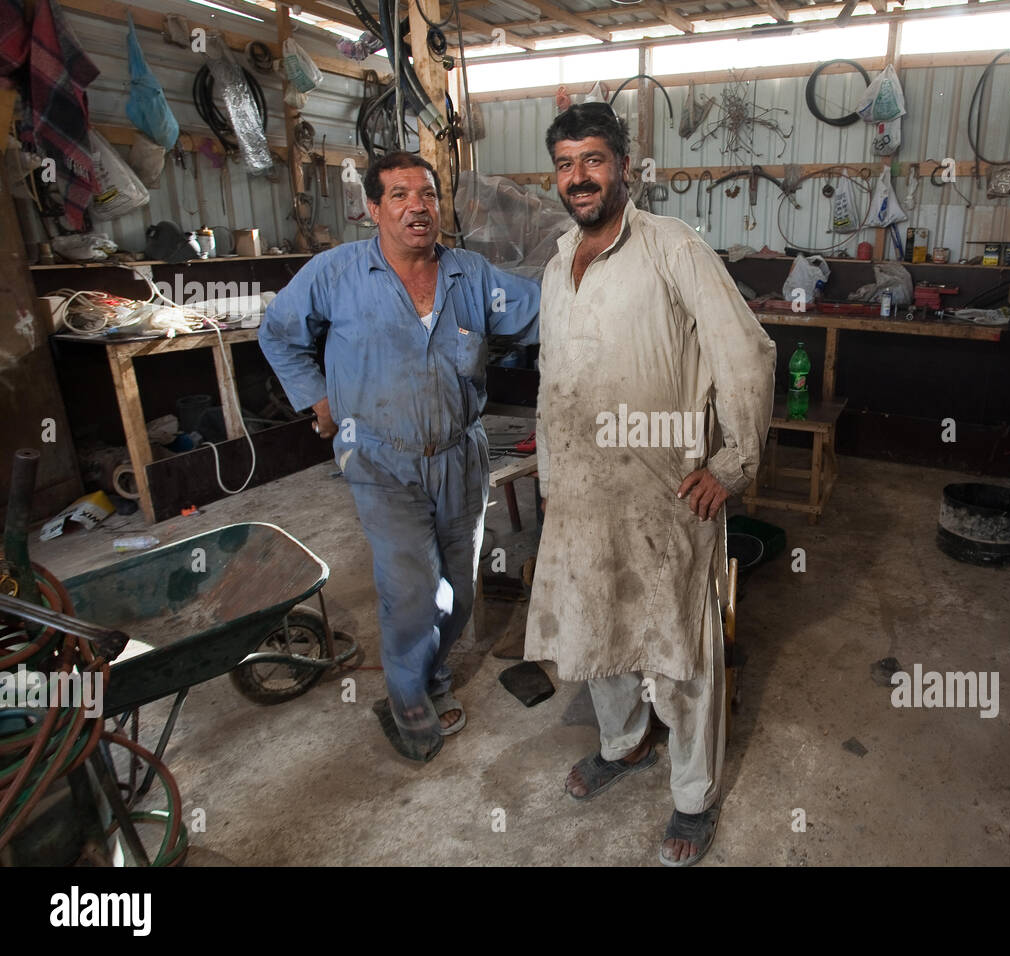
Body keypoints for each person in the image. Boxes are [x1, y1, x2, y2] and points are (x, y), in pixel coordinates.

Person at [524, 103, 775, 866]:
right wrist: (549, 471)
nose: (580, 177)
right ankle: (622, 744)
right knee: (593, 626)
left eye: (594, 160)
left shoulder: (674, 248)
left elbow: (748, 354)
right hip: (581, 492)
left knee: (680, 649)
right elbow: (550, 377)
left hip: (665, 491)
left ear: (626, 167)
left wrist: (732, 465)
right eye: (566, 164)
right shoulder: (554, 262)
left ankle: (692, 797)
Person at [260, 151, 540, 762]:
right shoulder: (335, 274)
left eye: (428, 195)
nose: (418, 206)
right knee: (411, 586)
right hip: (380, 458)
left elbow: (547, 309)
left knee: (457, 590)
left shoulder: (471, 275)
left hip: (460, 457)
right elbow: (277, 330)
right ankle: (408, 694)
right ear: (373, 210)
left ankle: (434, 673)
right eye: (400, 196)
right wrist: (317, 399)